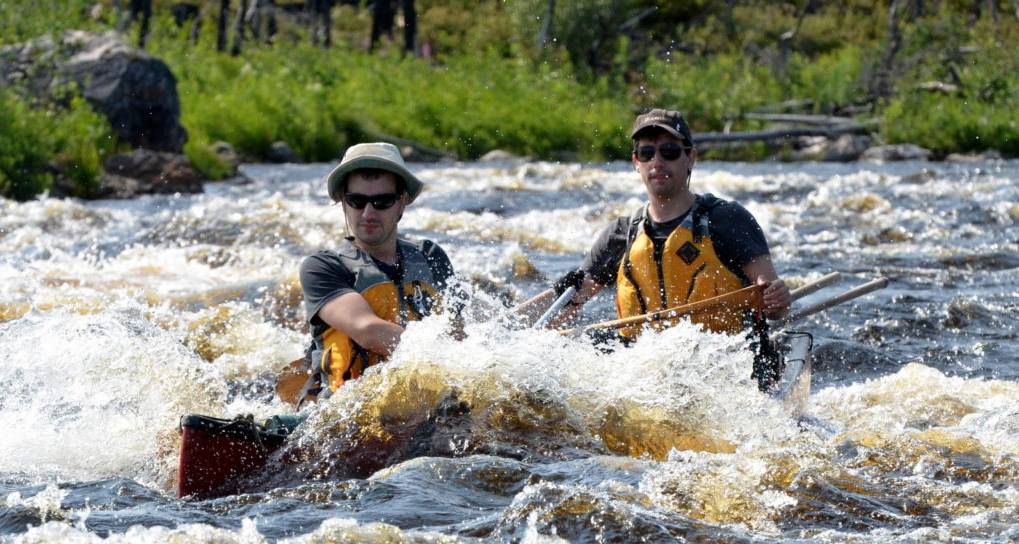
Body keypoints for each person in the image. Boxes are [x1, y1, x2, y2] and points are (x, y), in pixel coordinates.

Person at [517, 109, 792, 388]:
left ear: (690, 158)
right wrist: (502, 339)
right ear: (637, 163)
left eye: (670, 151)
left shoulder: (728, 219)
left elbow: (772, 302)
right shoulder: (620, 235)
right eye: (647, 153)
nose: (657, 161)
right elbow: (562, 307)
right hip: (646, 378)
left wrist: (777, 299)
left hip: (724, 369)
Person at [298, 142, 456, 398]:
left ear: (402, 202)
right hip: (347, 415)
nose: (368, 213)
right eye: (357, 201)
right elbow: (368, 331)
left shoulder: (430, 257)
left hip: (426, 408)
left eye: (382, 201)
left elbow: (459, 330)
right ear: (343, 203)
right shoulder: (322, 267)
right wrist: (457, 360)